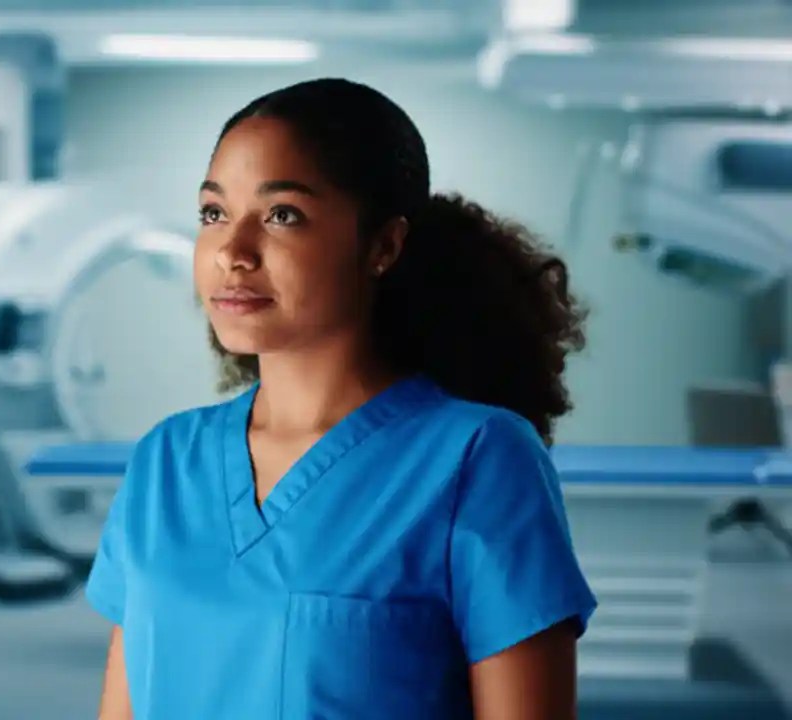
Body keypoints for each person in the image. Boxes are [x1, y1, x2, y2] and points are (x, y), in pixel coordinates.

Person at [86, 77, 597, 720]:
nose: (233, 253)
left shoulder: (478, 458)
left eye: (282, 216)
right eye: (214, 213)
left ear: (383, 245)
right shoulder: (166, 459)